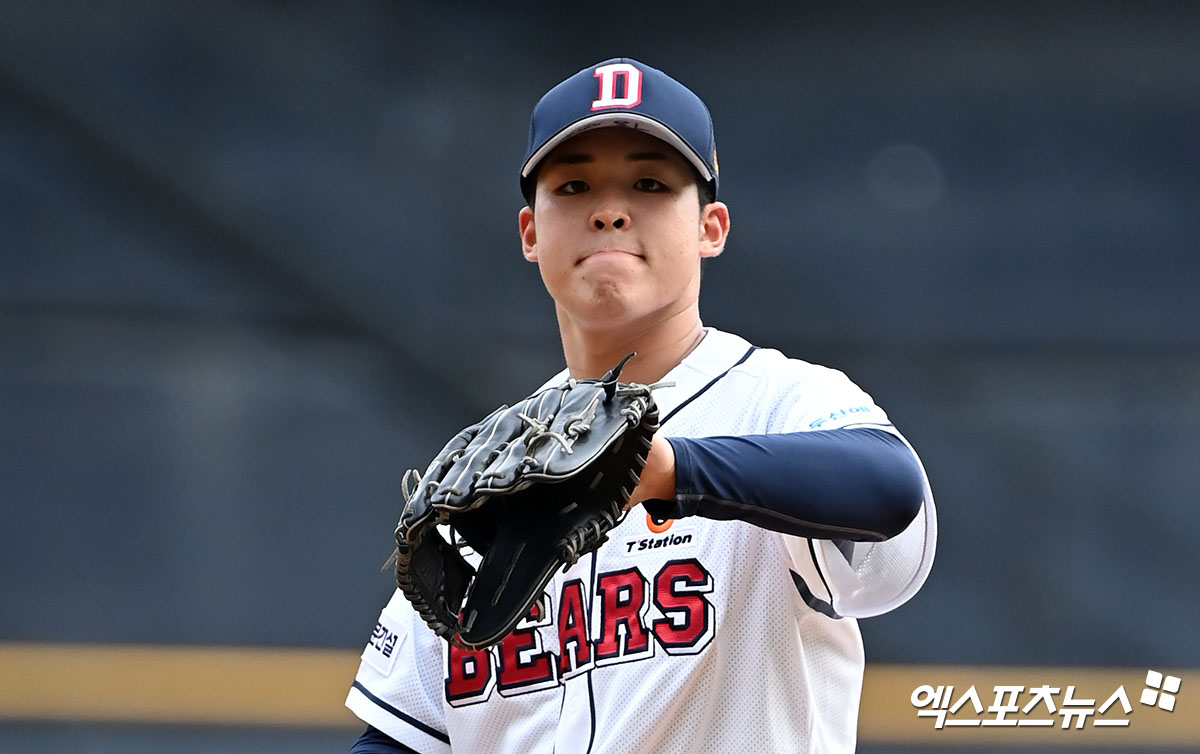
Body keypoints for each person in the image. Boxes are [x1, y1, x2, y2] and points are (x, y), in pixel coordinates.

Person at [345, 57, 936, 754]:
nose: (609, 209)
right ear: (530, 234)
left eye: (650, 182)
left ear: (710, 228)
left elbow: (889, 486)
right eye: (574, 185)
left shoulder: (782, 403)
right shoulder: (493, 475)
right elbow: (403, 737)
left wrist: (662, 472)